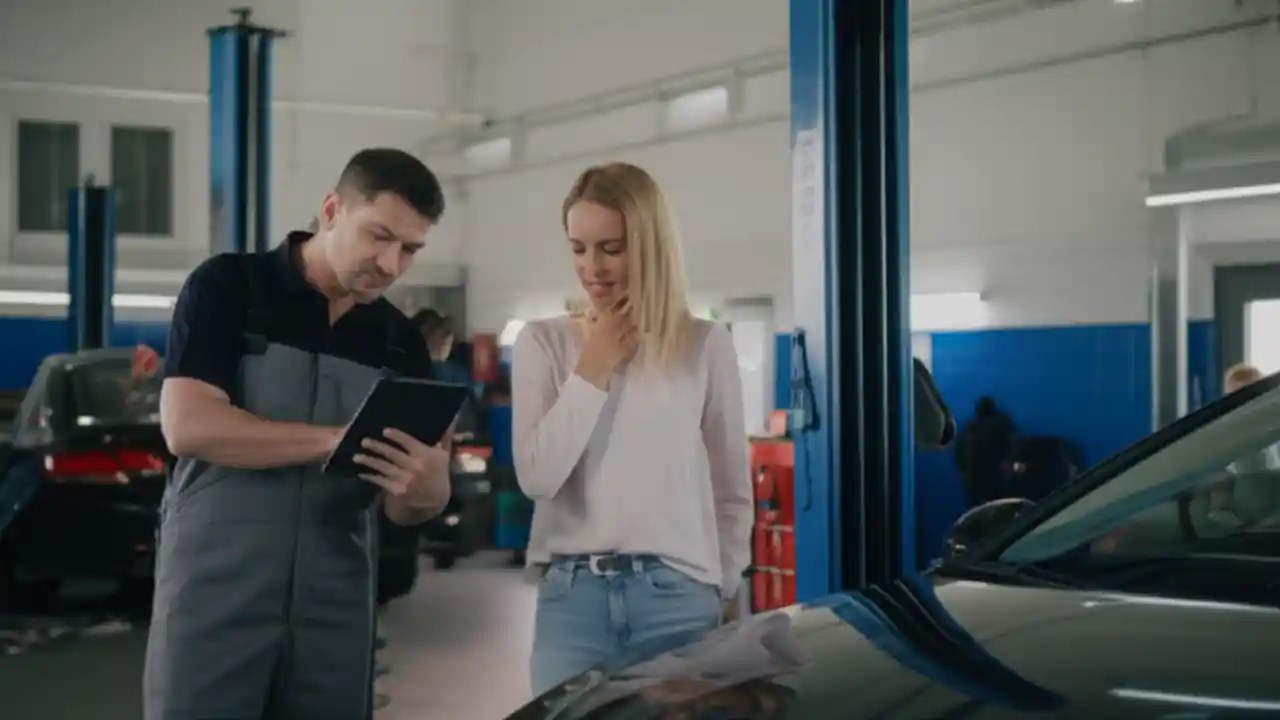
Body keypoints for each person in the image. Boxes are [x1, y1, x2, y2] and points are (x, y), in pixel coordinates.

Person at [144, 148, 453, 720]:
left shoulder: (399, 342)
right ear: (332, 210)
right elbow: (188, 426)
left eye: (409, 249)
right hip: (216, 587)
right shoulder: (231, 288)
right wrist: (338, 441)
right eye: (378, 236)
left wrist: (430, 488)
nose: (389, 264)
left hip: (336, 600)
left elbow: (406, 510)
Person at [512, 161, 754, 695]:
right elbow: (537, 478)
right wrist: (594, 364)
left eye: (611, 248)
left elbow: (732, 491)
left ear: (651, 245)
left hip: (678, 599)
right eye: (578, 248)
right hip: (572, 600)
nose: (592, 268)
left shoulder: (703, 344)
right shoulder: (544, 344)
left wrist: (722, 583)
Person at [954, 396, 1016, 507]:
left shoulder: (969, 429)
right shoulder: (1002, 425)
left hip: (974, 478)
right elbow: (1011, 448)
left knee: (978, 511)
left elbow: (960, 455)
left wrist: (965, 472)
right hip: (996, 477)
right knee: (1001, 509)